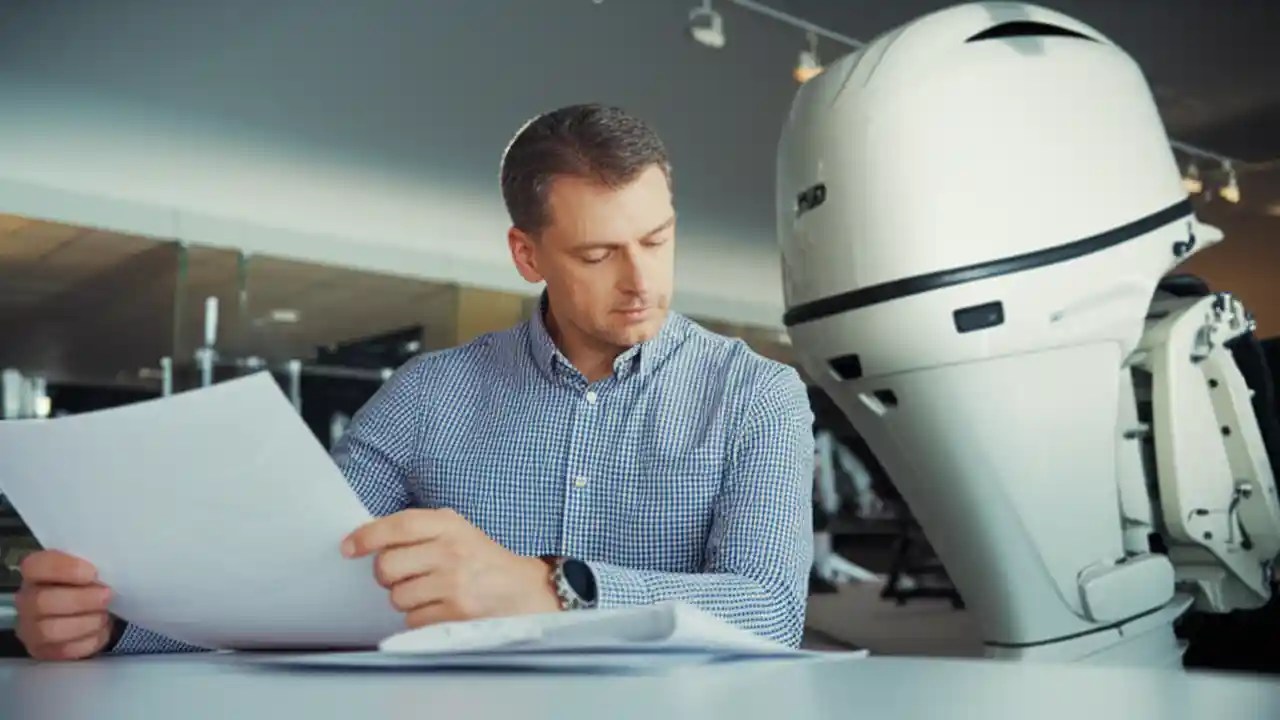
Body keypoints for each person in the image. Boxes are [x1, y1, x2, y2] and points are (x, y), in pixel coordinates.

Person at [14, 103, 816, 661]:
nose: (642, 279)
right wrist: (114, 625)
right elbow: (281, 573)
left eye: (657, 238)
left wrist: (551, 588)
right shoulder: (429, 395)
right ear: (527, 256)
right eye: (599, 254)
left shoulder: (757, 397)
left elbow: (771, 611)